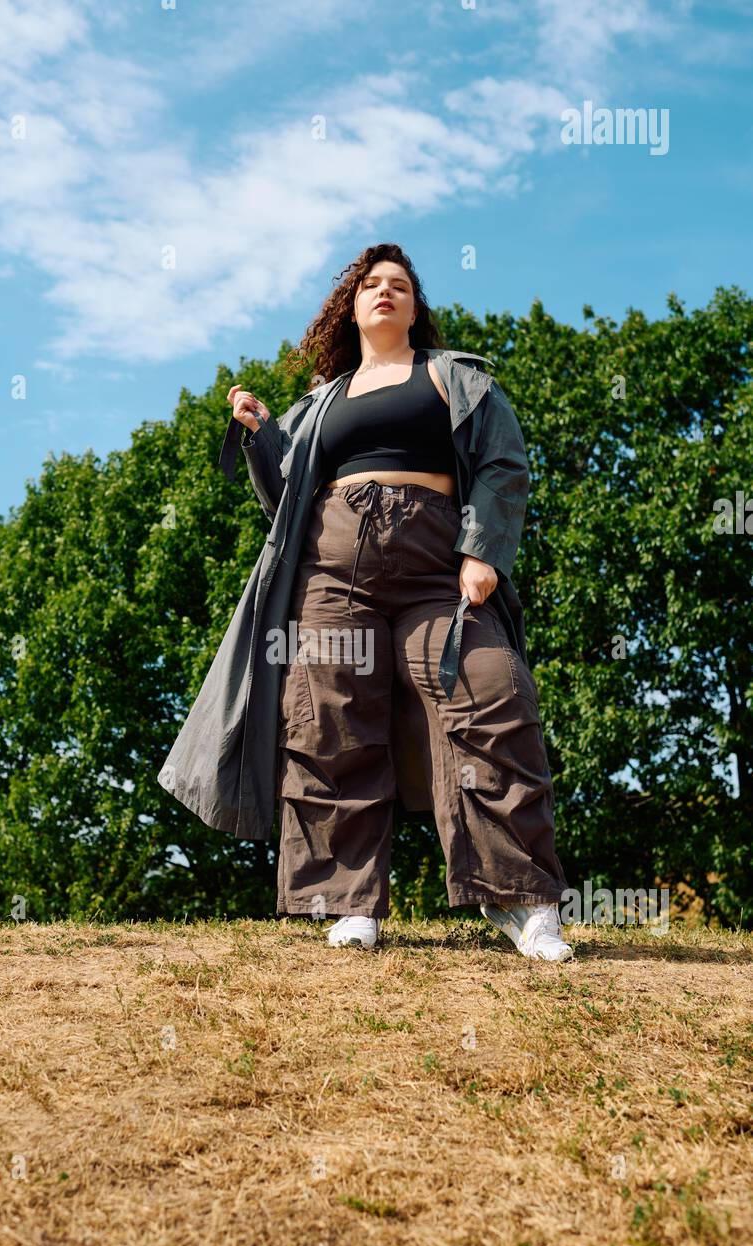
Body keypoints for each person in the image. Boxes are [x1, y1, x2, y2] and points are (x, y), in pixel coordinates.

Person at [191, 245, 573, 961]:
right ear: (354, 305)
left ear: (415, 307)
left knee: (490, 695)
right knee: (329, 717)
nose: (386, 293)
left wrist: (483, 550)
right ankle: (344, 900)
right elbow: (286, 502)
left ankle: (520, 899)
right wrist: (261, 436)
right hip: (334, 574)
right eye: (372, 285)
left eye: (400, 285)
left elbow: (502, 462)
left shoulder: (452, 377)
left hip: (437, 572)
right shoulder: (322, 402)